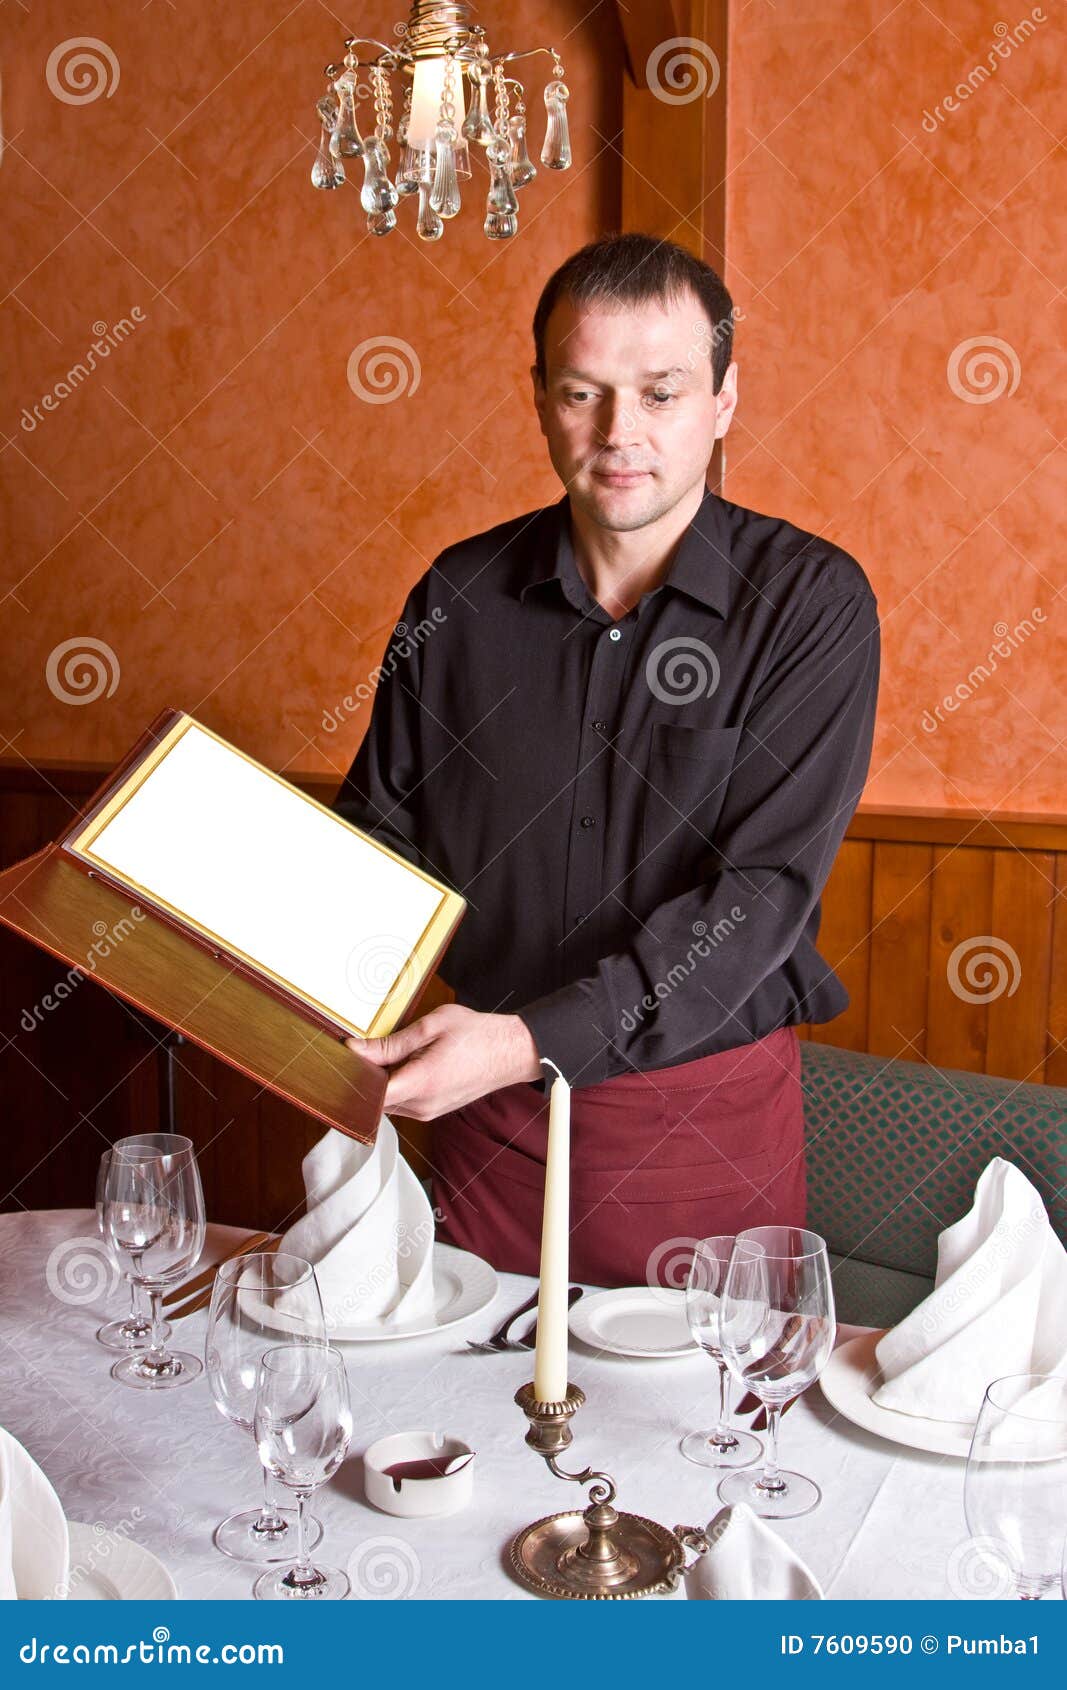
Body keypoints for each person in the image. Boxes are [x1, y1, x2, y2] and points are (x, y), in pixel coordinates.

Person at [334, 231, 880, 1287]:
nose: (619, 433)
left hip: (694, 1118)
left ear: (723, 399)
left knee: (698, 1436)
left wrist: (527, 1039)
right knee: (467, 1420)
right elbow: (379, 831)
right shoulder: (455, 594)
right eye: (583, 393)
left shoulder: (810, 605)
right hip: (481, 1116)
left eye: (661, 393)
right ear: (539, 397)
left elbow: (758, 898)